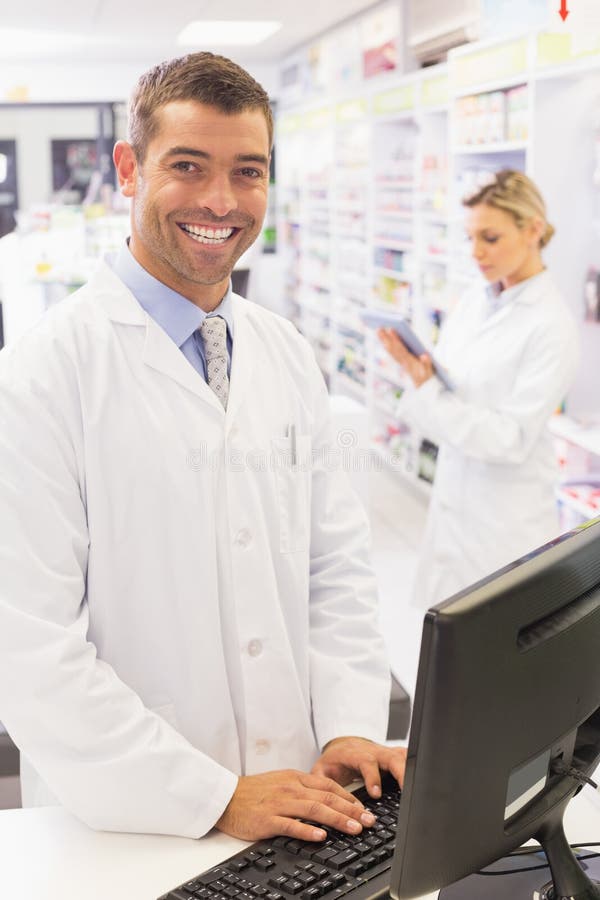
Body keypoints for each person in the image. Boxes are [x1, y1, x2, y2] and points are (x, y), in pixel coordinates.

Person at [0, 53, 405, 841]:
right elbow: (29, 646)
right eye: (188, 166)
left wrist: (348, 725)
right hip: (127, 818)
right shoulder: (40, 376)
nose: (221, 201)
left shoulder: (284, 350)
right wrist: (214, 796)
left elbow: (337, 562)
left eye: (247, 172)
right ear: (129, 168)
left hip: (300, 796)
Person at [378, 169, 579, 610]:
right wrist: (421, 373)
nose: (475, 253)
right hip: (456, 496)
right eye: (469, 238)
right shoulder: (475, 299)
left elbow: (509, 440)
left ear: (533, 230)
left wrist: (425, 390)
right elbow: (458, 388)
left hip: (505, 517)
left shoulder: (553, 326)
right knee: (447, 638)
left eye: (489, 238)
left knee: (496, 646)